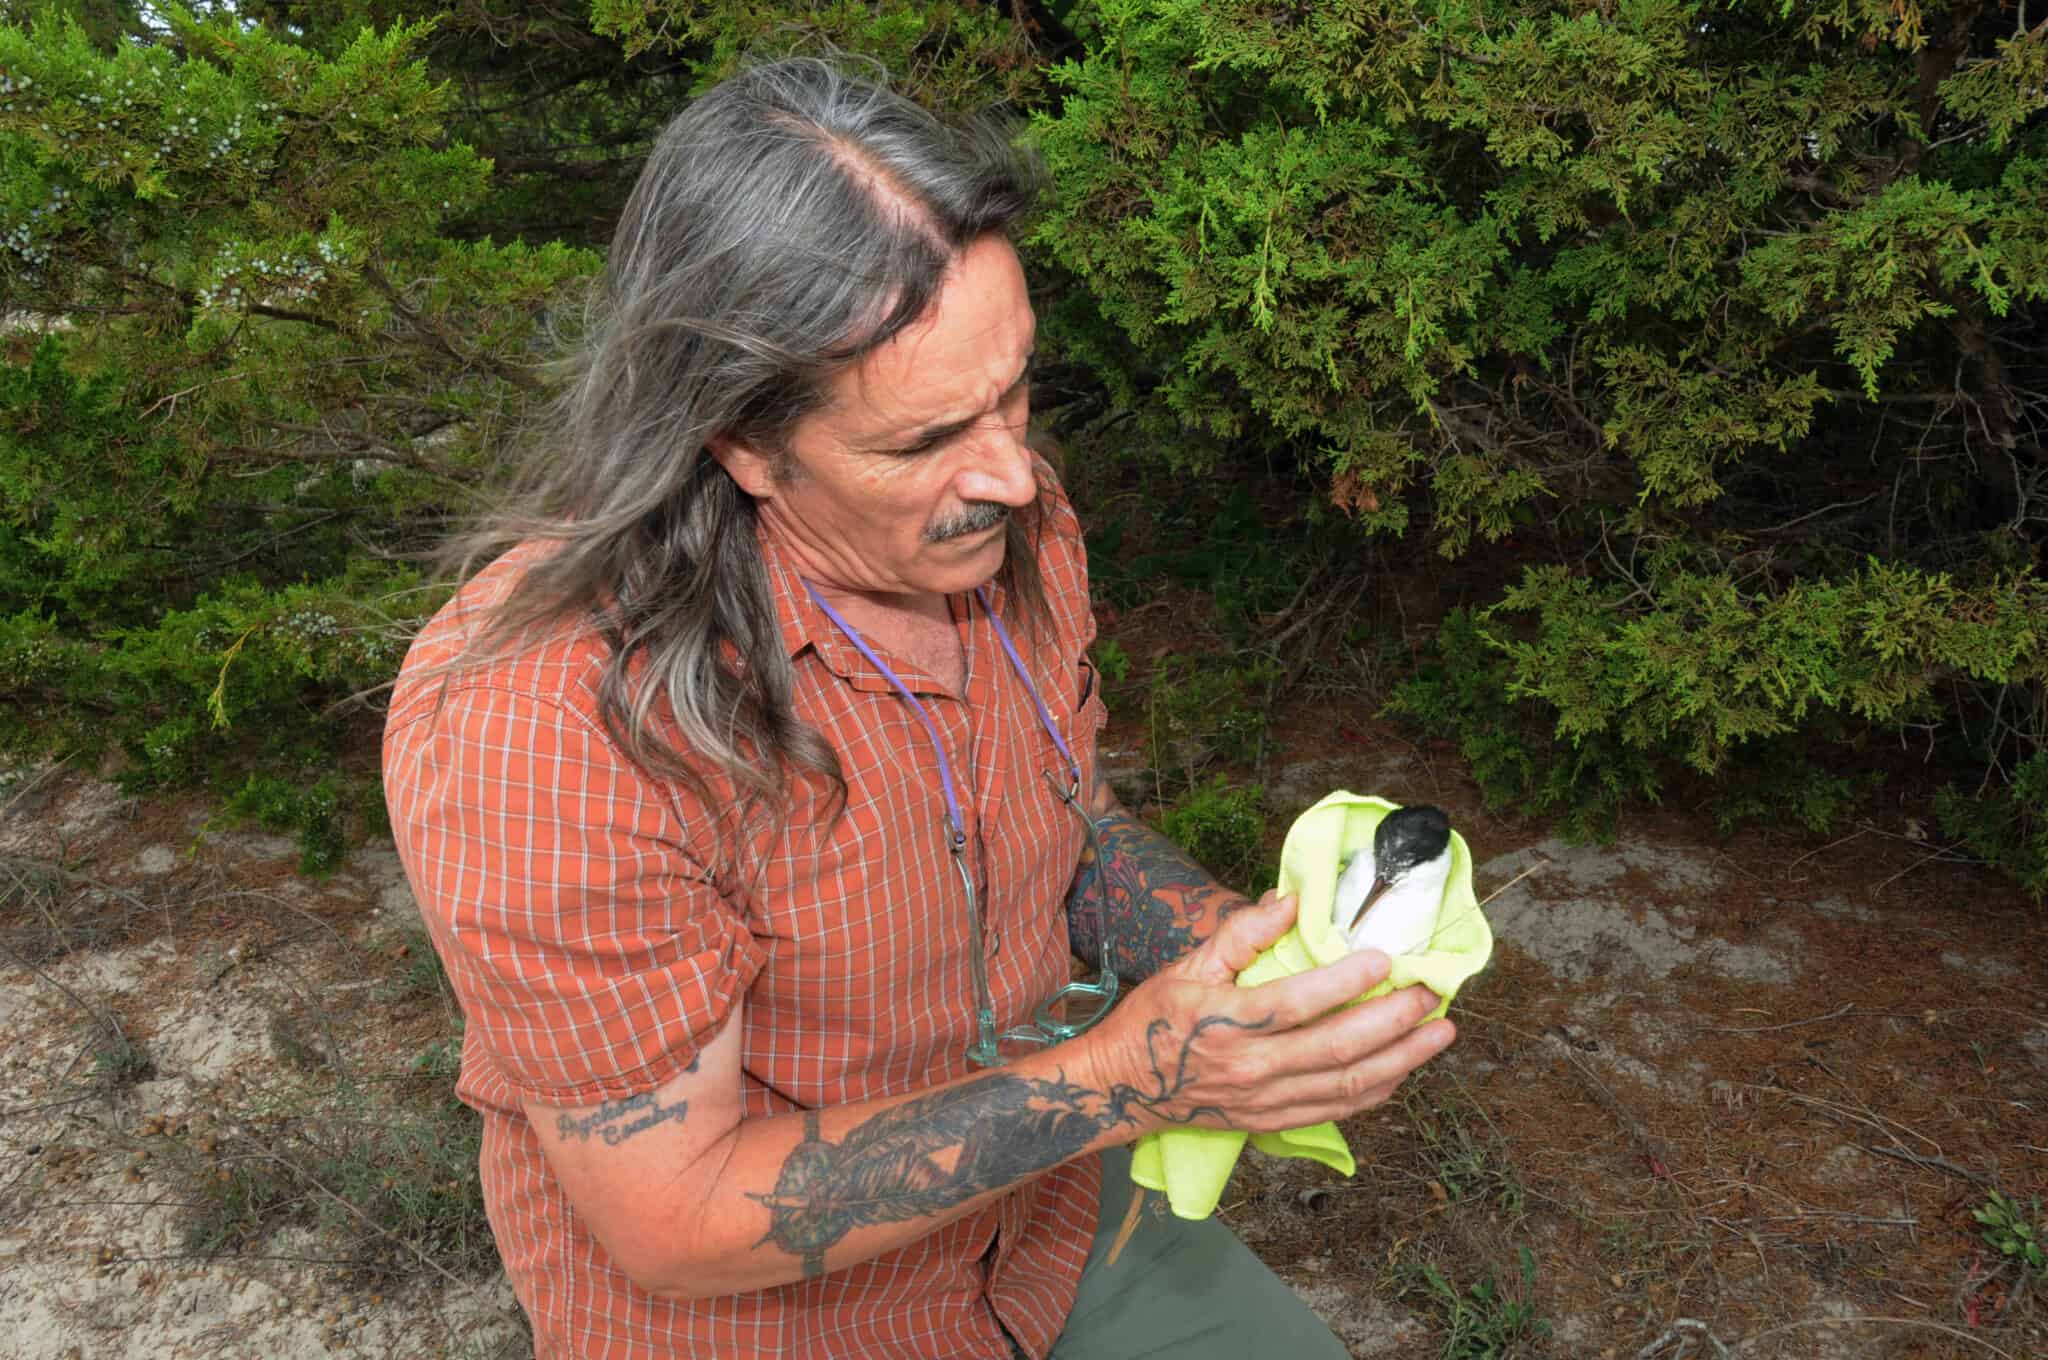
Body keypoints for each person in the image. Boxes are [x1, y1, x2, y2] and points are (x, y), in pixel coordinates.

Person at [382, 55, 1456, 1360]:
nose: (1013, 476)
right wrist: (1131, 1079)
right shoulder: (546, 720)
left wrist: (1240, 954)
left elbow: (1068, 827)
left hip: (1045, 1232)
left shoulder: (1006, 528)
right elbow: (671, 1212)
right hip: (783, 1323)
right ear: (739, 439)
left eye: (1015, 390)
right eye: (925, 438)